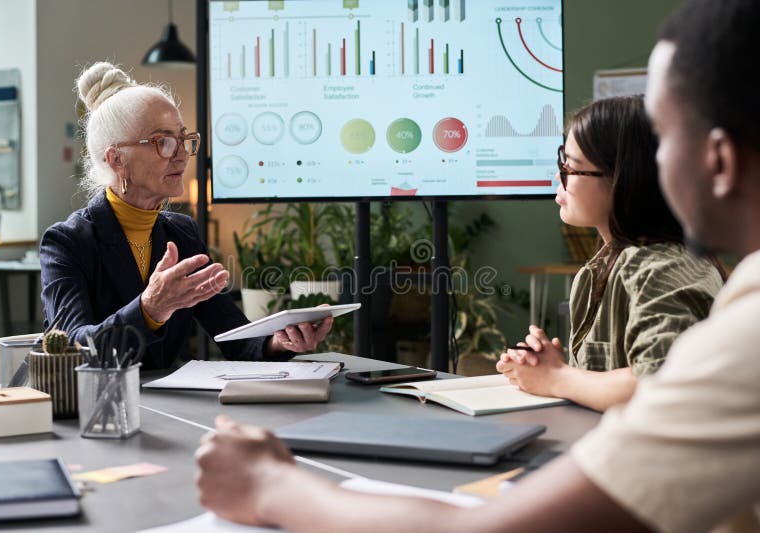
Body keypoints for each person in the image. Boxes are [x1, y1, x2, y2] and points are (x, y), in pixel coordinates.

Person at [195, 0, 760, 530]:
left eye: (663, 136)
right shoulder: (666, 282)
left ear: (719, 159)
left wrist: (271, 483)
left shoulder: (736, 325)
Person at [39, 62, 333, 370]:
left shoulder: (182, 233)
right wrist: (150, 308)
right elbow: (73, 347)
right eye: (163, 142)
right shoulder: (66, 242)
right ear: (116, 160)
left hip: (167, 410)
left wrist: (279, 342)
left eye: (183, 138)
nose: (181, 153)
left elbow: (236, 339)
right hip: (98, 411)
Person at [495, 95, 724, 412]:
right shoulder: (598, 270)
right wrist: (549, 368)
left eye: (570, 168)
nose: (559, 178)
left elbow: (661, 386)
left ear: (622, 180)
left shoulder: (664, 268)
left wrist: (559, 378)